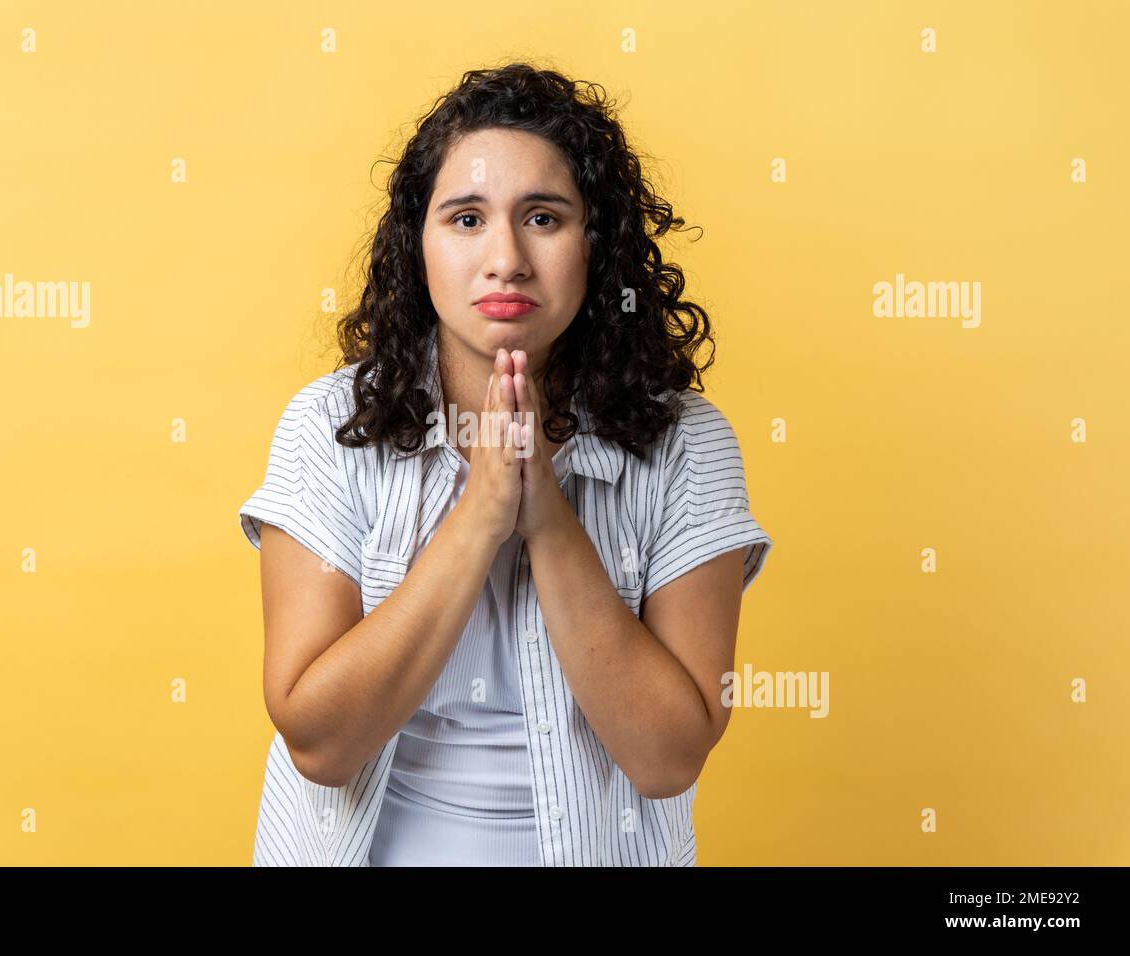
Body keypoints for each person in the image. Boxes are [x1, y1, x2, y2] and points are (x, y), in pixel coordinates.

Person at [238, 62, 773, 866]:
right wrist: (481, 513)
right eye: (465, 219)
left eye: (544, 218)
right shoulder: (330, 425)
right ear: (417, 247)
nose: (507, 259)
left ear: (596, 245)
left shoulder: (686, 444)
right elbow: (321, 743)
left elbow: (668, 759)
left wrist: (548, 519)